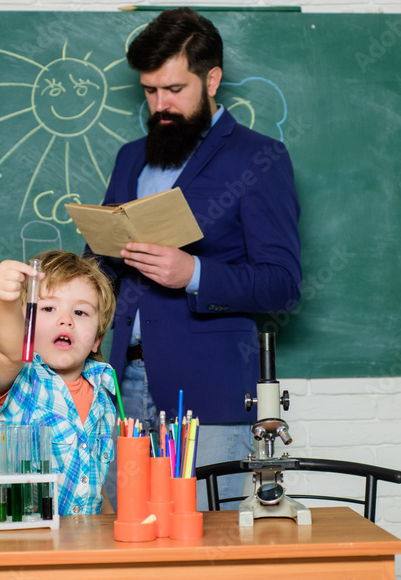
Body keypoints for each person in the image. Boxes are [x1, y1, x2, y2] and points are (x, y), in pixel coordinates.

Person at [93, 8, 302, 507]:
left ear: (212, 80)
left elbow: (283, 284)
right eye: (149, 91)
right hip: (120, 385)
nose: (159, 105)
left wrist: (195, 274)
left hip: (208, 394)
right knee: (124, 541)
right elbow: (101, 263)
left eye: (174, 90)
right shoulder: (130, 157)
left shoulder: (258, 158)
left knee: (206, 544)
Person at [0, 250, 117, 516]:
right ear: (24, 326)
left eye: (81, 312)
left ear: (97, 338)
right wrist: (7, 301)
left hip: (83, 546)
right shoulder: (19, 379)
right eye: (49, 308)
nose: (66, 319)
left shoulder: (102, 392)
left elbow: (93, 484)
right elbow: (9, 350)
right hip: (23, 546)